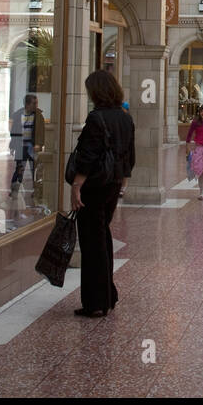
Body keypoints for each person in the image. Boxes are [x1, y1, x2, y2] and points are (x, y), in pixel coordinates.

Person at [69, 70, 135, 318]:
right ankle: (108, 294)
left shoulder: (96, 118)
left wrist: (76, 186)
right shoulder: (125, 118)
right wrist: (122, 184)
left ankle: (95, 302)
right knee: (102, 237)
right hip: (113, 184)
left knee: (91, 242)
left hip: (94, 187)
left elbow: (87, 156)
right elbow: (131, 157)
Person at [8, 94, 44, 198]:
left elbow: (41, 132)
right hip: (21, 146)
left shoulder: (38, 116)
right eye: (34, 103)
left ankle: (37, 191)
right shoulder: (18, 115)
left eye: (36, 103)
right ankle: (14, 190)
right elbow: (14, 131)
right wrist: (12, 146)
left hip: (32, 147)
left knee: (35, 170)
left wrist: (39, 144)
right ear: (27, 104)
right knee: (19, 168)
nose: (36, 105)